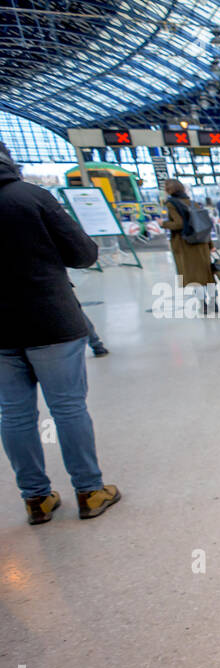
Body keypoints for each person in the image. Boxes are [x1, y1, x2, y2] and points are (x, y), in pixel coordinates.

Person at [0, 142, 120, 524]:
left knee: (14, 416)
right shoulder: (32, 197)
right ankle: (89, 490)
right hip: (50, 319)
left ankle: (36, 499)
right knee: (68, 408)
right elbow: (83, 253)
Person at [161, 179, 215, 312]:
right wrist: (210, 244)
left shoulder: (171, 203)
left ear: (169, 190)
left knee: (194, 276)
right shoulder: (192, 202)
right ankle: (214, 302)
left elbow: (178, 224)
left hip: (187, 245)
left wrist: (163, 223)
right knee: (207, 274)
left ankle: (203, 305)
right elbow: (204, 225)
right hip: (201, 243)